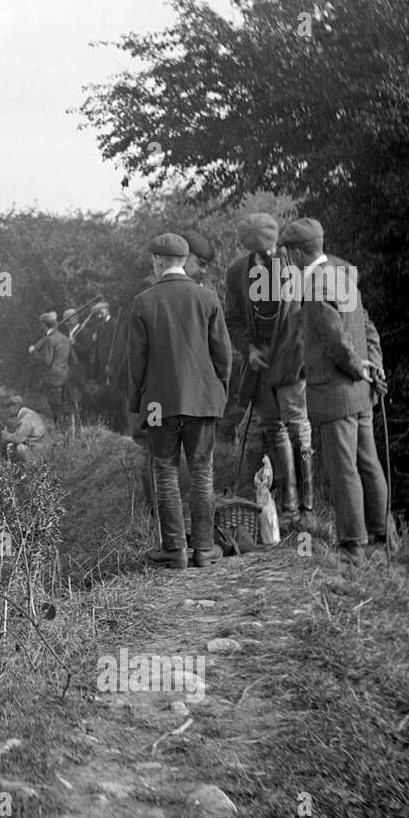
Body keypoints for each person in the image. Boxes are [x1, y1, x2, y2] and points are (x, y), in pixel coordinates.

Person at [282, 218, 392, 566]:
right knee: (369, 464)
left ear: (299, 252)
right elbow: (368, 326)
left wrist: (358, 365)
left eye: (289, 253)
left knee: (344, 469)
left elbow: (336, 342)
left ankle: (353, 546)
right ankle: (383, 536)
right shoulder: (344, 273)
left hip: (335, 392)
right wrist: (373, 366)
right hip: (361, 392)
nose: (288, 260)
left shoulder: (314, 285)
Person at [127, 233, 232, 569]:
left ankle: (174, 550)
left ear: (157, 261)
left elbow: (136, 362)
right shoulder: (208, 297)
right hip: (202, 400)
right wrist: (220, 393)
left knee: (165, 472)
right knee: (202, 473)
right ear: (185, 261)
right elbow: (224, 356)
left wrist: (135, 403)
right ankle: (203, 549)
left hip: (159, 405)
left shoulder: (143, 301)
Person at [224, 212, 314, 530]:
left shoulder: (297, 268)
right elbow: (232, 319)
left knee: (298, 429)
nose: (265, 255)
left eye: (270, 248)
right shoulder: (237, 271)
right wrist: (248, 349)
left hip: (291, 363)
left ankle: (306, 507)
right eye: (257, 252)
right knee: (273, 428)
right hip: (259, 364)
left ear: (277, 242)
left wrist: (299, 355)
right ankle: (284, 505)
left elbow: (310, 316)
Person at [29, 311, 72, 432]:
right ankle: (67, 432)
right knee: (64, 406)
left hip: (54, 378)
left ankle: (60, 434)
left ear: (44, 325)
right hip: (66, 376)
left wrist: (34, 352)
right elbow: (73, 359)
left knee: (56, 407)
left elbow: (46, 361)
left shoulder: (49, 340)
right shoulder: (64, 338)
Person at [1, 394, 53, 462]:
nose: (8, 410)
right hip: (43, 448)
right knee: (13, 446)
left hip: (39, 451)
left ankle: (30, 469)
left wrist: (6, 435)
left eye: (9, 407)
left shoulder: (25, 420)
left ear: (16, 406)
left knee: (18, 448)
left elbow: (18, 439)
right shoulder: (29, 413)